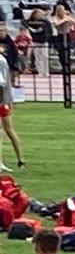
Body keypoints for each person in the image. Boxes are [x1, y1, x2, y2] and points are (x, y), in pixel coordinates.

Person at [0, 40, 24, 171]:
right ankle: (20, 160)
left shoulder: (1, 61)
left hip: (2, 99)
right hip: (4, 99)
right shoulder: (3, 61)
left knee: (7, 130)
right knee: (8, 130)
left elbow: (3, 83)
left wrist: (6, 101)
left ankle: (18, 159)